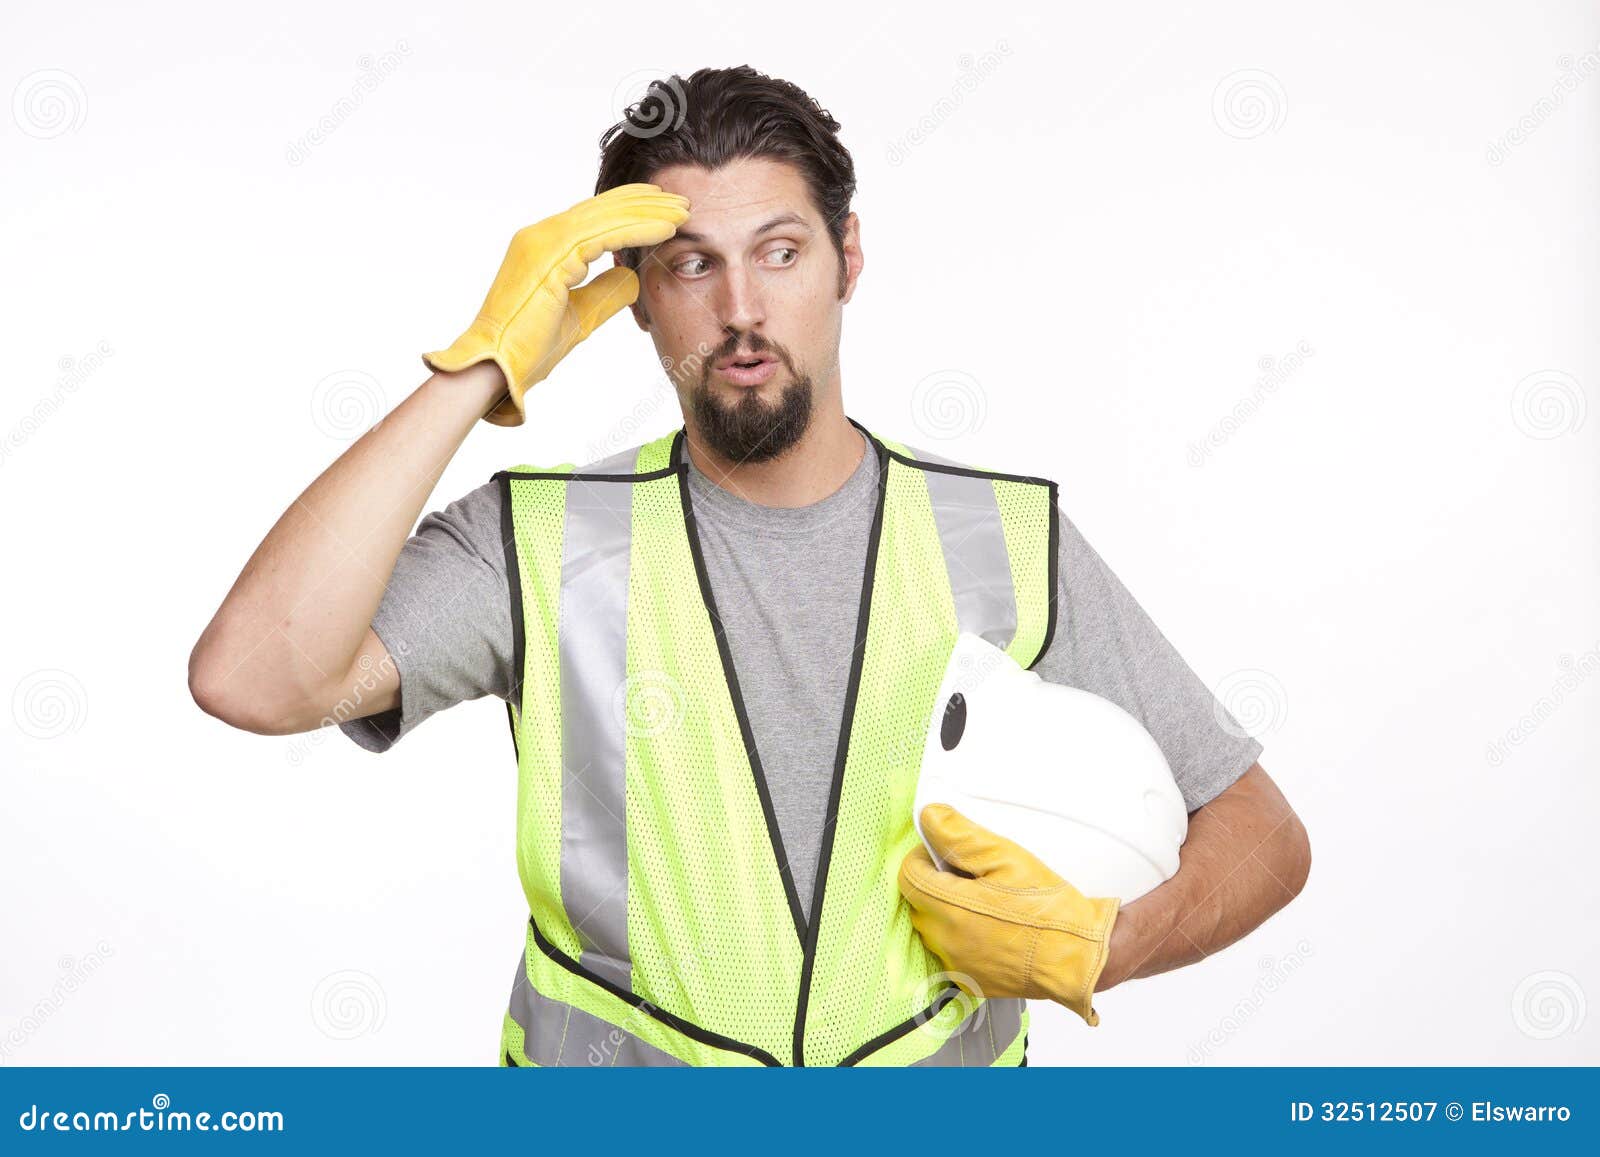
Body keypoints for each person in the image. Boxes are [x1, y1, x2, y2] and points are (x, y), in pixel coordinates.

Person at [188, 65, 1310, 1066]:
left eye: (779, 252)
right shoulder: (538, 540)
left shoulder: (1003, 536)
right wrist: (478, 370)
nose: (740, 312)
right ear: (633, 297)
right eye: (691, 266)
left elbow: (1262, 832)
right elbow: (252, 679)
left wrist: (1108, 946)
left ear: (846, 259)